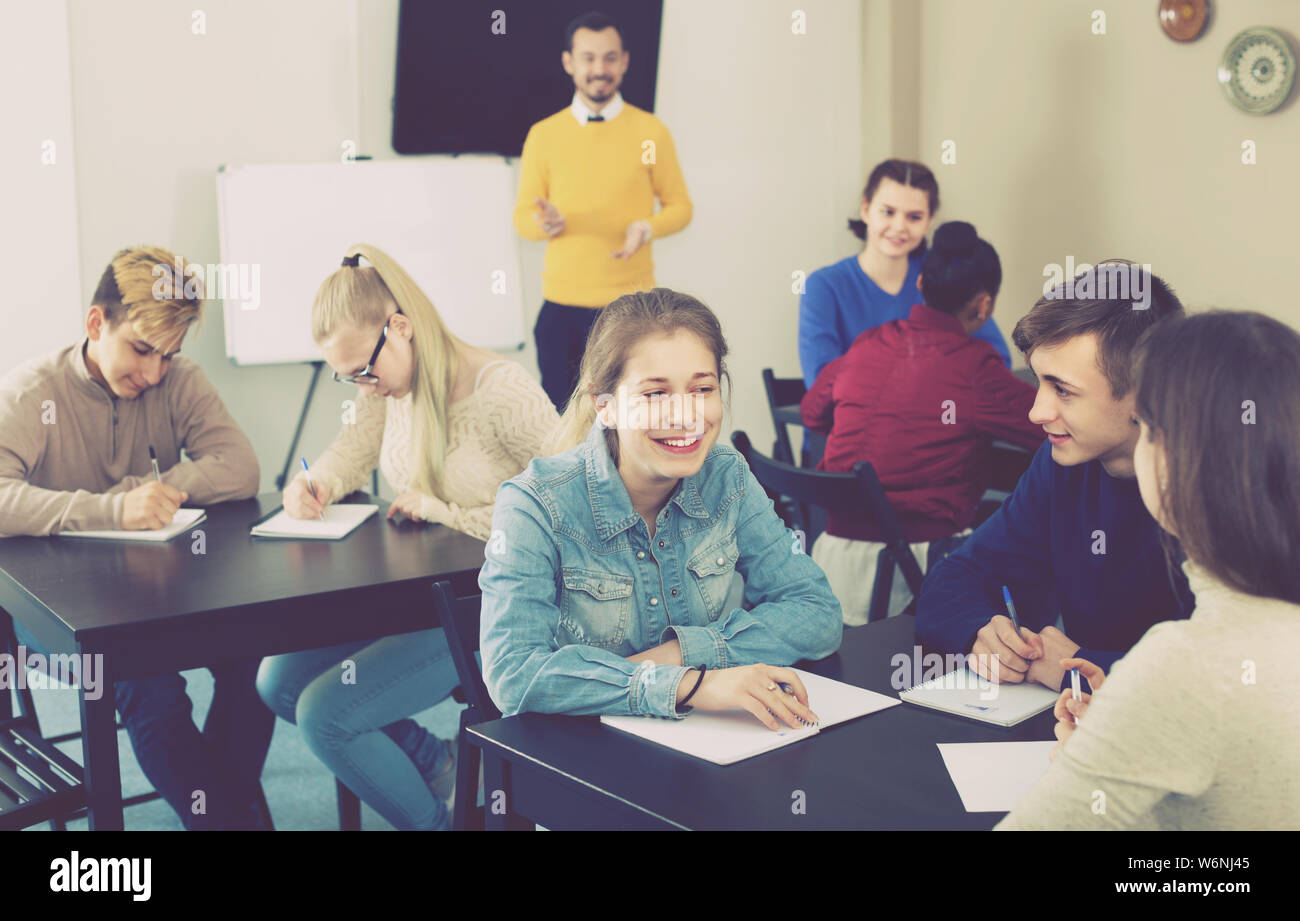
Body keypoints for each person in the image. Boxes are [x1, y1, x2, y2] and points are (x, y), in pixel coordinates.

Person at [257, 244, 558, 830]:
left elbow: (565, 507)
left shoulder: (501, 389)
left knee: (325, 716)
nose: (363, 388)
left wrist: (445, 511)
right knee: (277, 680)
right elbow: (353, 447)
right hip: (416, 595)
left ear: (400, 328)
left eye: (365, 371)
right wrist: (316, 481)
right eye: (348, 378)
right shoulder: (390, 389)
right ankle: (429, 758)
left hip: (495, 608)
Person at [479, 288, 842, 728]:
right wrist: (691, 684)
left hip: (713, 747)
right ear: (605, 406)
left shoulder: (726, 475)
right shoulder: (534, 504)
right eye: (655, 394)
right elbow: (513, 675)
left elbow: (816, 611)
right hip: (584, 760)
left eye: (702, 388)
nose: (685, 415)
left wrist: (680, 655)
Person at [0, 245, 271, 829]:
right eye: (142, 349)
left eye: (168, 356)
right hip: (54, 613)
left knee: (255, 656)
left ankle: (222, 813)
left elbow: (240, 466)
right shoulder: (31, 393)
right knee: (146, 685)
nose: (153, 374)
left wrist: (159, 488)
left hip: (160, 595)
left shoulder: (177, 382)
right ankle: (233, 821)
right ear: (97, 324)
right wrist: (110, 509)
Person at [999, 311, 1300, 830]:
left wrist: (1087, 768)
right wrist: (1121, 736)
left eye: (1149, 428)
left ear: (1177, 457)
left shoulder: (1181, 666)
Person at [915, 262, 1194, 692]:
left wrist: (1080, 667)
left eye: (1062, 389)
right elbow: (956, 577)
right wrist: (980, 632)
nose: (1036, 412)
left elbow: (1240, 671)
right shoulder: (1062, 463)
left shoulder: (1223, 490)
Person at [801, 222, 1043, 624]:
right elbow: (1049, 423)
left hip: (831, 559)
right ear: (983, 305)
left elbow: (812, 412)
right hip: (919, 566)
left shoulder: (868, 343)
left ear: (920, 283)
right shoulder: (975, 367)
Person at [513, 10, 693, 411]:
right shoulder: (544, 135)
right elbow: (522, 218)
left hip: (631, 310)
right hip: (561, 311)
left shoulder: (651, 132)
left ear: (625, 61)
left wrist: (647, 227)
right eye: (589, 58)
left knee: (632, 419)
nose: (600, 69)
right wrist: (543, 223)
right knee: (567, 424)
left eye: (610, 58)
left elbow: (681, 207)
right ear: (569, 62)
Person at [798, 159, 1011, 392]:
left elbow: (997, 363)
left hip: (934, 423)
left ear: (929, 221)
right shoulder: (823, 287)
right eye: (888, 212)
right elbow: (821, 384)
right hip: (851, 425)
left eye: (914, 217)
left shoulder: (944, 275)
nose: (899, 226)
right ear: (866, 209)